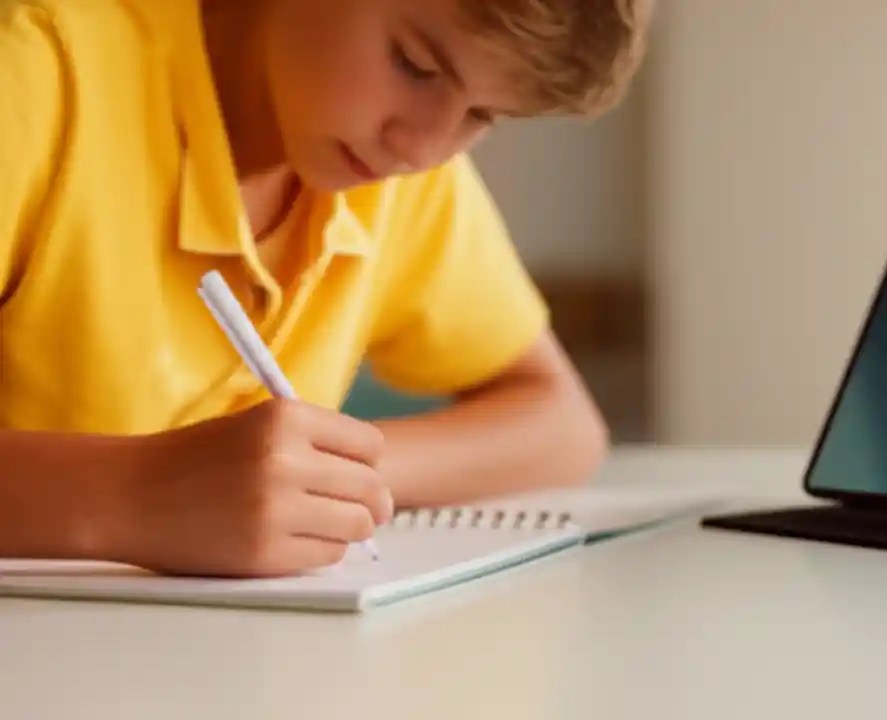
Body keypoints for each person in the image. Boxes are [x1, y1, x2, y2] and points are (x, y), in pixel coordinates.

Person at [0, 0, 651, 577]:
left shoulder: (396, 178)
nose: (423, 147)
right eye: (416, 64)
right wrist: (130, 498)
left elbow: (562, 424)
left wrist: (320, 479)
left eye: (484, 114)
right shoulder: (33, 71)